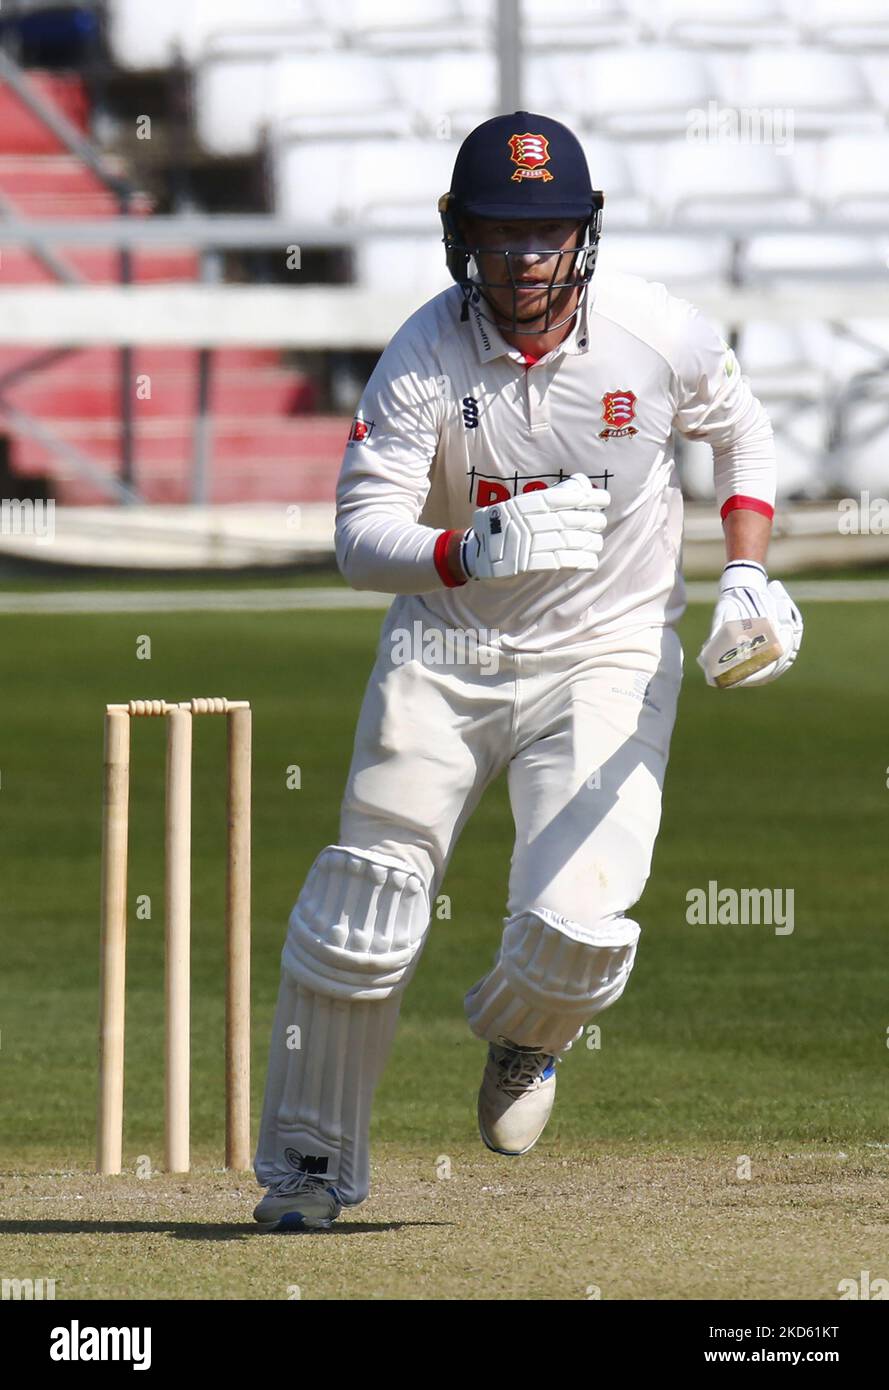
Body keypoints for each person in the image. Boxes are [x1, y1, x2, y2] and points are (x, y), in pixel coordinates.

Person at [252, 111, 803, 1231]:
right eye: (502, 233)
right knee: (365, 903)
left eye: (547, 231)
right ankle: (307, 1167)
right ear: (462, 237)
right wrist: (465, 549)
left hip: (607, 650)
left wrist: (746, 572)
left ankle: (525, 1036)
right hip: (446, 650)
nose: (526, 257)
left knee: (578, 930)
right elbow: (360, 537)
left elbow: (741, 430)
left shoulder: (652, 332)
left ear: (582, 235)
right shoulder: (423, 355)